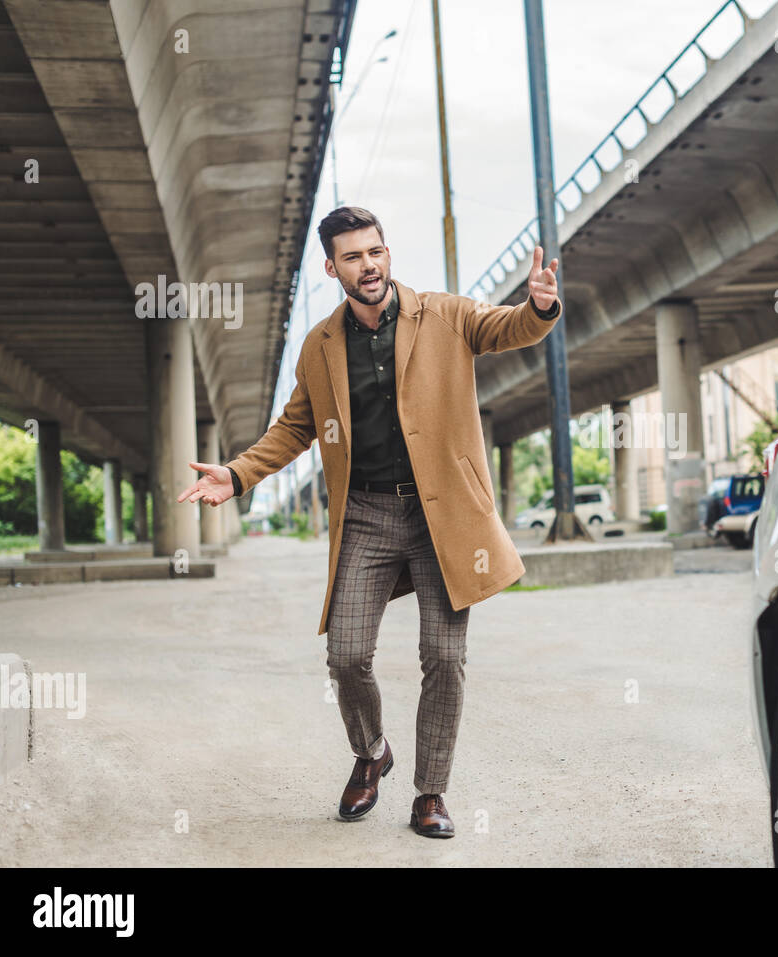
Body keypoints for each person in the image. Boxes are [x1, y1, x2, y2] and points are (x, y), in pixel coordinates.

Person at [176, 206, 563, 838]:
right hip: (366, 514)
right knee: (346, 654)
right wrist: (239, 473)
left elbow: (508, 328)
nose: (370, 265)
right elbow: (297, 427)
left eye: (376, 251)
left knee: (444, 656)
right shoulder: (321, 344)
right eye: (354, 257)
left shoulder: (446, 315)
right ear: (333, 268)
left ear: (388, 254)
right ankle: (372, 751)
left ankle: (430, 792)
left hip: (444, 515)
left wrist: (539, 307)